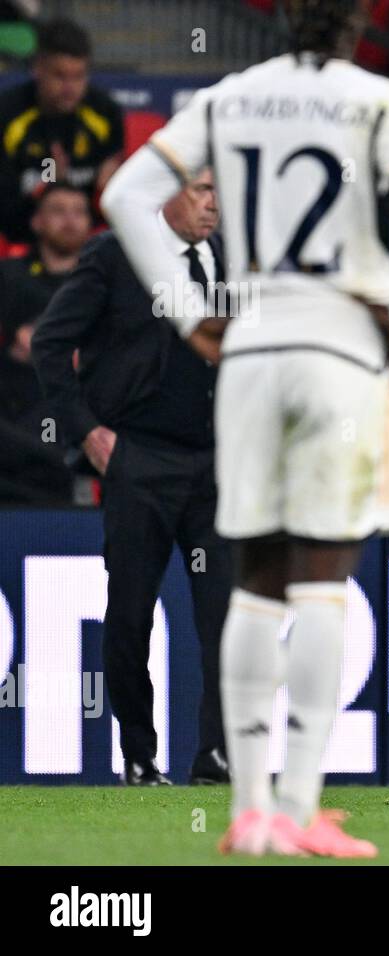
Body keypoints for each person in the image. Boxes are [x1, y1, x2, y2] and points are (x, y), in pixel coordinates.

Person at [100, 0, 389, 856]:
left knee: (255, 577)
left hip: (251, 349)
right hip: (338, 344)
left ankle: (249, 812)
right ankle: (299, 808)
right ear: (360, 24)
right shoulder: (381, 102)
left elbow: (124, 193)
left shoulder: (231, 96)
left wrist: (189, 314)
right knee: (323, 577)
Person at [33, 170, 232, 787]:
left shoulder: (232, 259)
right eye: (201, 190)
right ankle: (141, 757)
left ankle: (217, 757)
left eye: (219, 192)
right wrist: (87, 431)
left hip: (217, 464)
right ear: (166, 193)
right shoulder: (116, 253)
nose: (213, 205)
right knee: (129, 617)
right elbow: (49, 343)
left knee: (227, 617)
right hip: (140, 461)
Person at [0, 183, 89, 504]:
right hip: (15, 403)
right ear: (37, 222)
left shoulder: (103, 281)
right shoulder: (9, 275)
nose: (70, 220)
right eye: (58, 211)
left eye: (79, 212)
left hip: (78, 407)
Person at [0, 18, 123, 242]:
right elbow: (5, 209)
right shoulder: (7, 115)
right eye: (60, 75)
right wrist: (50, 190)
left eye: (78, 76)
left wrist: (109, 188)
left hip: (89, 242)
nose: (70, 88)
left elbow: (113, 205)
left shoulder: (105, 114)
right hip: (23, 239)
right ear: (38, 69)